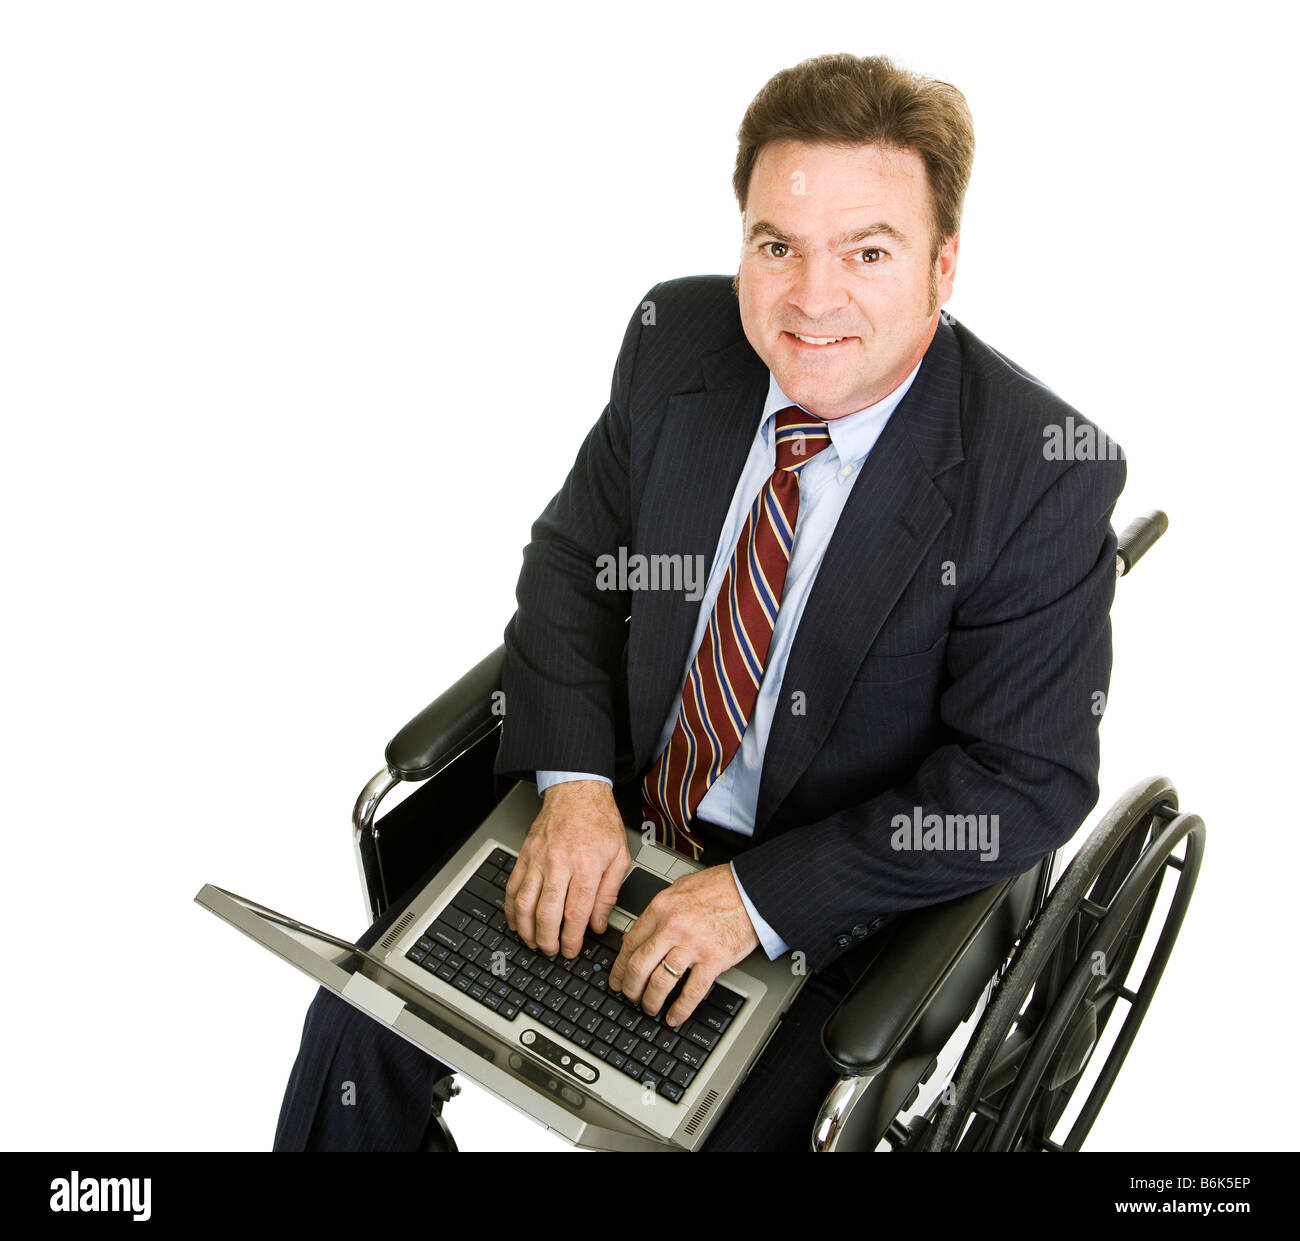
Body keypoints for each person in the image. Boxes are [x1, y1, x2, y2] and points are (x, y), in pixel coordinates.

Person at [274, 52, 1125, 1152]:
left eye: (868, 252)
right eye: (777, 246)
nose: (811, 299)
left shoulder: (1039, 472)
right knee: (356, 1024)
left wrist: (756, 897)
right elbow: (574, 561)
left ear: (943, 262)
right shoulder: (677, 343)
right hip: (619, 825)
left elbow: (1027, 778)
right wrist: (573, 784)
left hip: (831, 905)